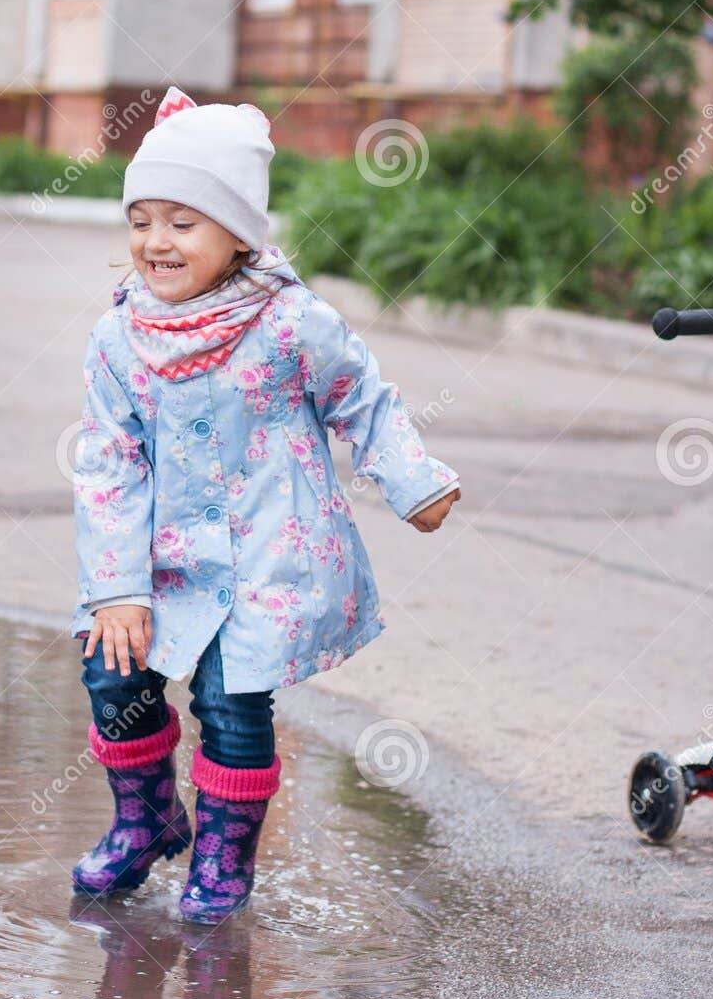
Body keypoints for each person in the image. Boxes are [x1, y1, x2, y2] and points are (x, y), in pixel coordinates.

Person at [70, 86, 461, 923]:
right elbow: (108, 461)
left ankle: (223, 855)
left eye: (183, 222)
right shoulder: (119, 337)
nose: (156, 241)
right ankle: (145, 820)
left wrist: (412, 481)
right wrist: (116, 587)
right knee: (113, 674)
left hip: (265, 556)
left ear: (238, 233)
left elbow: (362, 398)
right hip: (157, 558)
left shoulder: (289, 322)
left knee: (230, 701)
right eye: (141, 220)